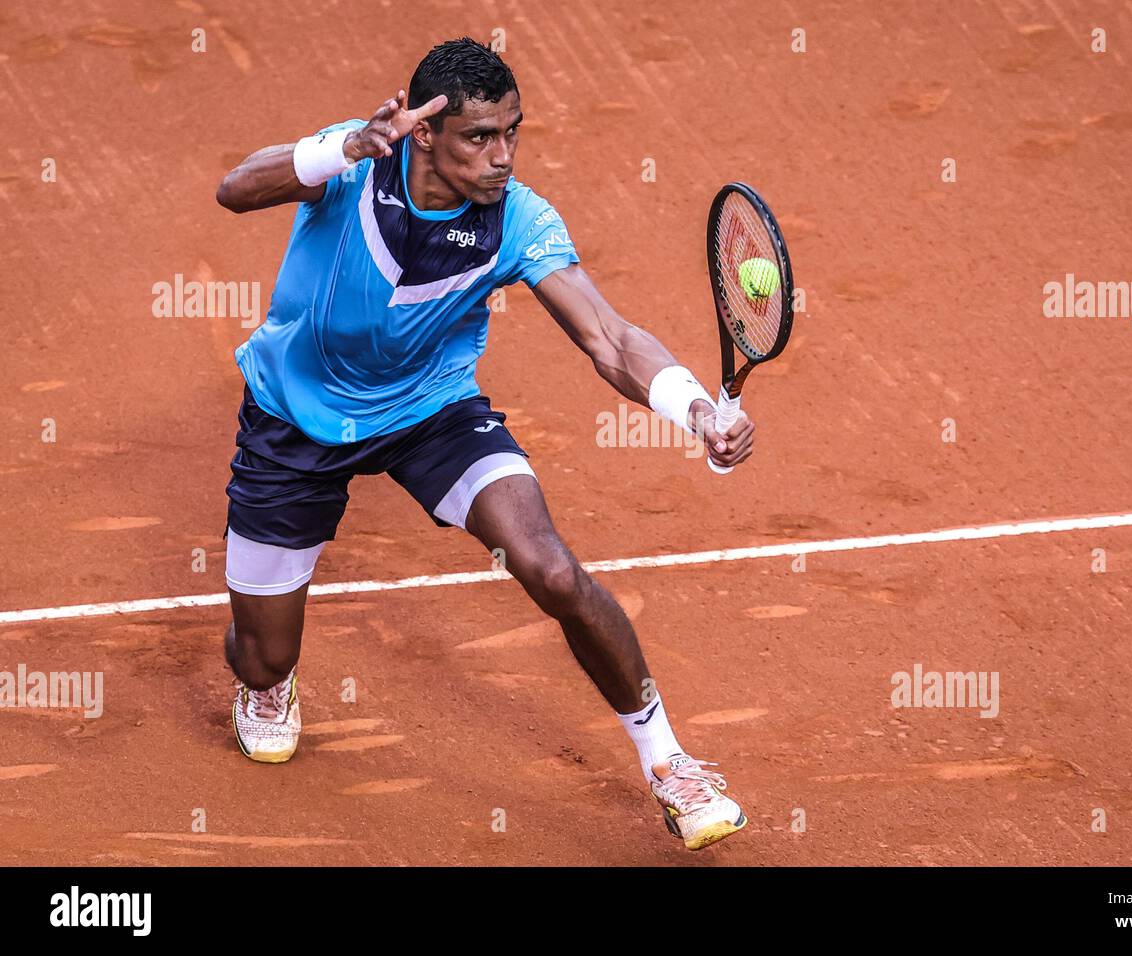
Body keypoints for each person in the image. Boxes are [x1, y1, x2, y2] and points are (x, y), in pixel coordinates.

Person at [214, 37, 755, 850]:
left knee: (551, 566)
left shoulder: (519, 221)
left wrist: (696, 413)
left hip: (429, 411)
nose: (503, 156)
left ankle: (670, 763)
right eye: (480, 137)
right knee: (260, 658)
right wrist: (337, 149)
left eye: (513, 133)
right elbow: (234, 190)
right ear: (425, 132)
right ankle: (268, 683)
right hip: (294, 417)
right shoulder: (360, 164)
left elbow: (608, 337)